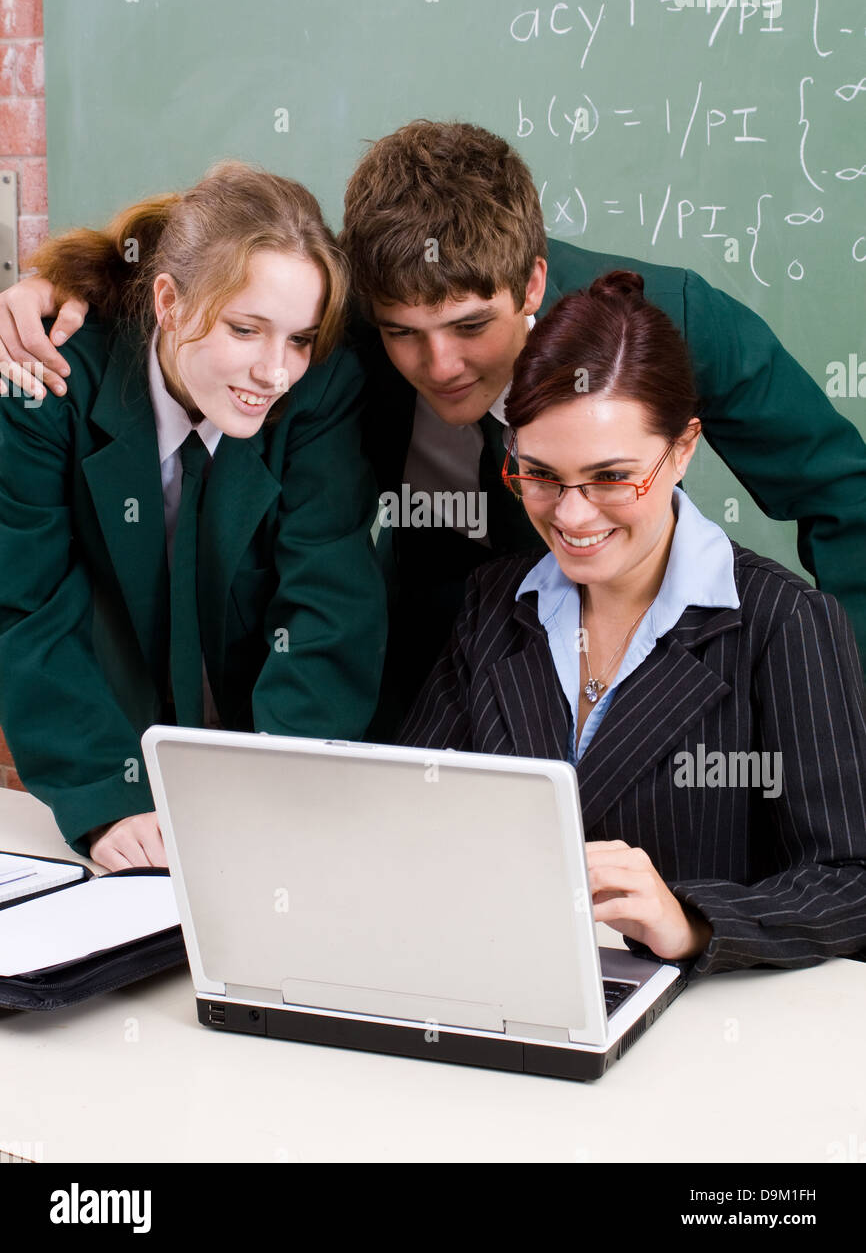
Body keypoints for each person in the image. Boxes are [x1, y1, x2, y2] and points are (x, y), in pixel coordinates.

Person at [3, 121, 866, 730]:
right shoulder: (327, 340)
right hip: (428, 649)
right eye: (402, 335)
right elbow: (214, 277)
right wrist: (65, 291)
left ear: (529, 288)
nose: (440, 366)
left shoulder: (672, 322)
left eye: (468, 327)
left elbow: (843, 497)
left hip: (631, 651)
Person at [399, 272, 866, 977]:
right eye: (540, 475)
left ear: (683, 450)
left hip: (699, 1035)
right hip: (500, 992)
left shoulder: (784, 623)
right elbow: (410, 811)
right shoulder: (493, 603)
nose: (572, 516)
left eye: (612, 478)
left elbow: (849, 879)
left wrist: (687, 919)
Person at [0, 160, 387, 868]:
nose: (275, 372)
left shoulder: (322, 389)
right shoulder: (46, 377)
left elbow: (327, 600)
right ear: (169, 301)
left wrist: (278, 796)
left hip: (266, 785)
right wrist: (104, 799)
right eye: (246, 329)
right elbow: (27, 610)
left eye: (298, 339)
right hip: (116, 760)